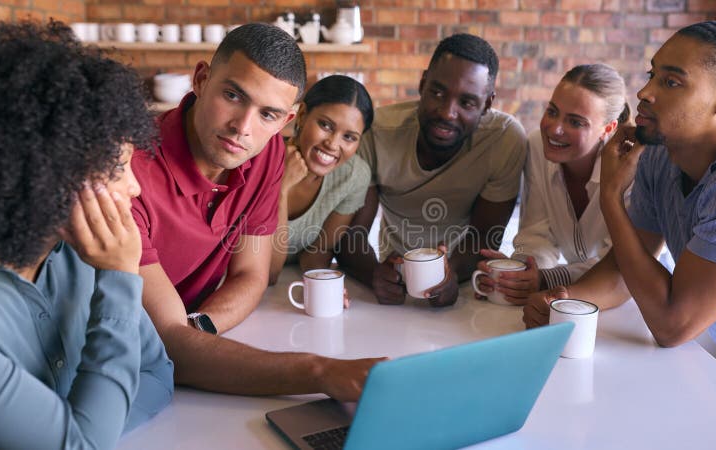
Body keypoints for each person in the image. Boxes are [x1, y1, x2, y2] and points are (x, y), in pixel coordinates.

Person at [131, 23, 383, 401]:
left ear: (286, 121)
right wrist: (321, 372)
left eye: (268, 114)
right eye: (233, 95)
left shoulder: (267, 154)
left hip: (182, 350)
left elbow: (252, 274)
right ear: (201, 79)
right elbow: (167, 341)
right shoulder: (130, 167)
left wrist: (199, 329)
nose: (242, 128)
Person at [523, 21, 716, 405]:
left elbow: (672, 324)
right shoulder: (659, 152)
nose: (644, 92)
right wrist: (566, 301)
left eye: (671, 82)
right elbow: (625, 267)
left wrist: (610, 195)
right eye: (651, 74)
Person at [0, 21, 173, 448]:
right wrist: (120, 277)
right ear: (47, 176)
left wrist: (85, 426)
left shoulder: (80, 254)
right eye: (118, 169)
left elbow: (158, 374)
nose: (135, 187)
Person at [337, 33, 527, 307]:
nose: (448, 112)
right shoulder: (376, 132)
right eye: (438, 93)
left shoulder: (505, 139)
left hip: (465, 277)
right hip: (390, 274)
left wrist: (448, 276)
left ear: (487, 104)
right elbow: (351, 232)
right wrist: (373, 274)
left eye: (467, 102)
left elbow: (485, 238)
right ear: (422, 83)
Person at [475, 64, 631, 305]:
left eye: (576, 122)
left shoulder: (631, 170)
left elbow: (615, 264)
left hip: (626, 302)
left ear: (607, 129)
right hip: (570, 297)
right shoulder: (536, 146)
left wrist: (545, 279)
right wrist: (516, 275)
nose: (555, 129)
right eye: (552, 111)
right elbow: (536, 237)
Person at [268, 75, 373, 285]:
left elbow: (318, 251)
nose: (333, 144)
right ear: (302, 115)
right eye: (325, 125)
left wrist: (324, 286)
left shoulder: (352, 176)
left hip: (289, 287)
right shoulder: (263, 160)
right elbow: (267, 273)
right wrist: (280, 188)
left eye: (349, 137)